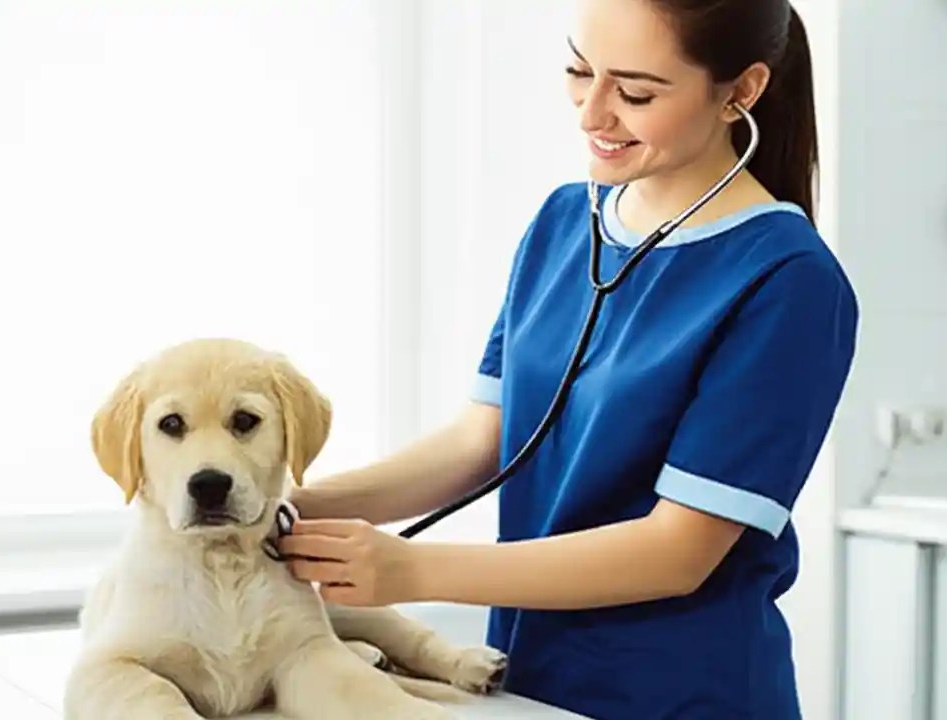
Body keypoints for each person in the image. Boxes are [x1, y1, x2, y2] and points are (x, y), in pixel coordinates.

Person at [276, 0, 858, 717]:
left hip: (680, 694)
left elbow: (679, 550)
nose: (592, 113)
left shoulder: (787, 280)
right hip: (531, 680)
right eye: (580, 71)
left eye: (637, 92)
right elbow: (481, 442)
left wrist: (412, 568)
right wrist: (279, 507)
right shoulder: (563, 221)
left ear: (741, 91)